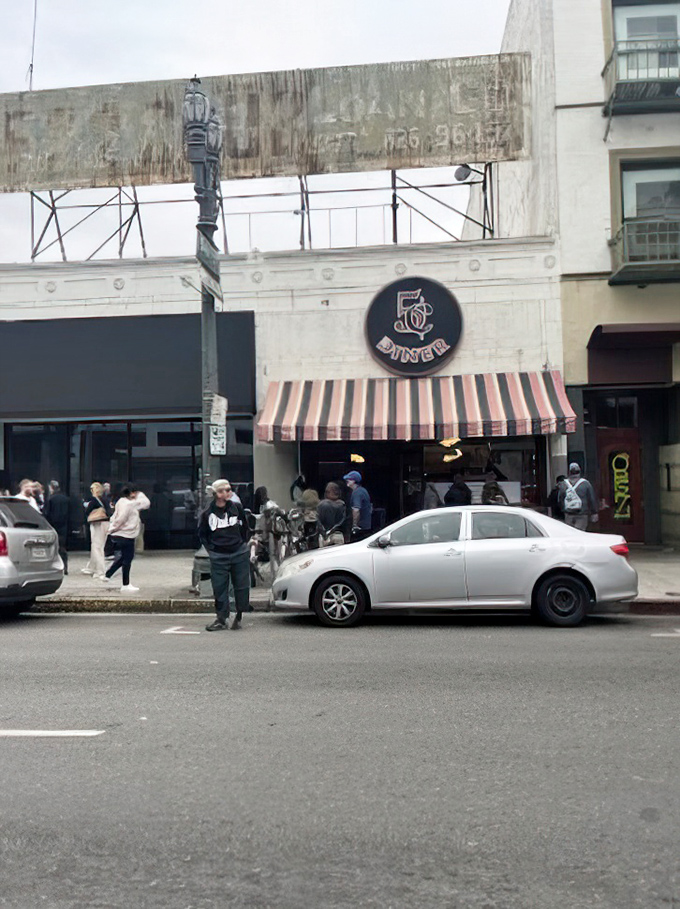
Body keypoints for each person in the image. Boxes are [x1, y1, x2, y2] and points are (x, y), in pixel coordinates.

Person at [199, 479, 252, 631]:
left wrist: (243, 543)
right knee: (219, 587)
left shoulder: (237, 508)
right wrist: (212, 550)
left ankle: (239, 614)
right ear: (216, 494)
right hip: (219, 555)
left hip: (238, 552)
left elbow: (245, 528)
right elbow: (203, 534)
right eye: (223, 490)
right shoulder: (207, 513)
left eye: (229, 490)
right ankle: (221, 618)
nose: (227, 493)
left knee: (241, 586)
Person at [104, 484, 150, 592]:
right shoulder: (130, 504)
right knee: (127, 559)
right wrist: (113, 528)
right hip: (126, 534)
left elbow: (116, 516)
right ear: (132, 493)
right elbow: (122, 518)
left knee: (124, 557)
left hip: (120, 534)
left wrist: (112, 528)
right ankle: (125, 584)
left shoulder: (121, 501)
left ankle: (108, 574)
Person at [558, 462, 599, 531]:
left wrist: (564, 510)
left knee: (570, 533)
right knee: (580, 533)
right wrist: (594, 512)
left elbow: (560, 499)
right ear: (579, 471)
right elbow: (592, 499)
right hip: (582, 513)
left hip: (568, 514)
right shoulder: (585, 484)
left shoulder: (564, 484)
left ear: (569, 472)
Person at [84, 482, 112, 579]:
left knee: (97, 547)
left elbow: (87, 512)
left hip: (97, 524)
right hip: (106, 523)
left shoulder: (93, 501)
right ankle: (93, 567)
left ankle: (101, 571)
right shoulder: (106, 500)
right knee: (100, 546)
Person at [45, 480, 70, 574]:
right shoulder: (65, 498)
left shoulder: (50, 499)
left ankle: (53, 567)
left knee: (53, 547)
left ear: (51, 488)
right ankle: (65, 566)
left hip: (52, 525)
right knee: (62, 547)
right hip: (64, 525)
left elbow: (46, 513)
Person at [343, 470, 373, 541]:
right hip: (366, 526)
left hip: (360, 528)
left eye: (349, 479)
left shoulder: (357, 493)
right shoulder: (362, 490)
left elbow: (356, 510)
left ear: (354, 481)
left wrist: (354, 526)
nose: (347, 480)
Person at [317, 482, 346, 546]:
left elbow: (318, 521)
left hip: (324, 536)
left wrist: (324, 533)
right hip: (338, 534)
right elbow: (343, 521)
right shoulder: (342, 505)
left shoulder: (321, 505)